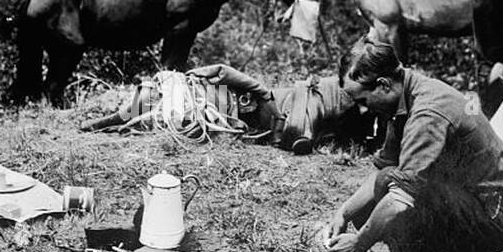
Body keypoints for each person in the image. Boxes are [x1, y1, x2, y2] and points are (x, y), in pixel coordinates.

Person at [324, 41, 503, 252]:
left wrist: (360, 243)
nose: (363, 110)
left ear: (382, 85)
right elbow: (383, 170)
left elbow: (399, 200)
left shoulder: (427, 111)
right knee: (390, 183)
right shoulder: (404, 98)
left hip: (496, 215)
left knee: (401, 197)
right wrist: (343, 213)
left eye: (363, 100)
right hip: (472, 203)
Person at [81, 63, 370, 154]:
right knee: (146, 106)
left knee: (159, 112)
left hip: (260, 109)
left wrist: (262, 94)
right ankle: (106, 123)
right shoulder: (182, 103)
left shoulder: (193, 83)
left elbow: (226, 71)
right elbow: (225, 73)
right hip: (234, 111)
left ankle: (113, 123)